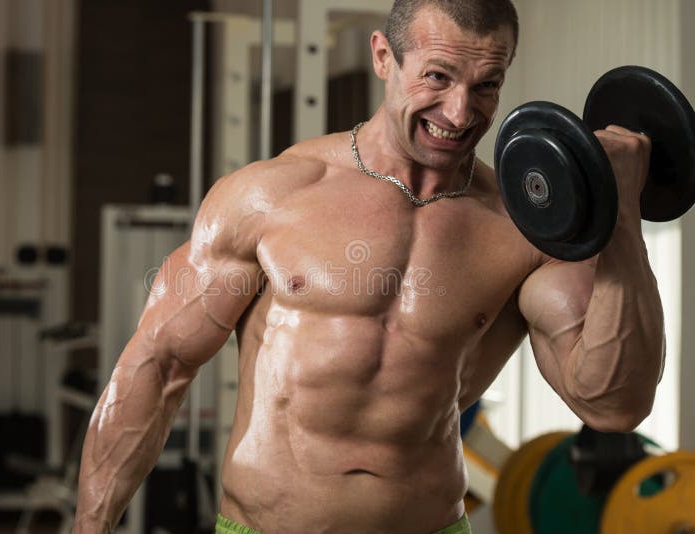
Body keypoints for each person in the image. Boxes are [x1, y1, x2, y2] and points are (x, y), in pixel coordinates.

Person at [73, 0, 665, 532]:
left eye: (487, 85)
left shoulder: (523, 227)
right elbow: (157, 365)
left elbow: (613, 404)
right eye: (438, 76)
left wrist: (621, 214)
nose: (460, 113)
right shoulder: (271, 197)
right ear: (384, 56)